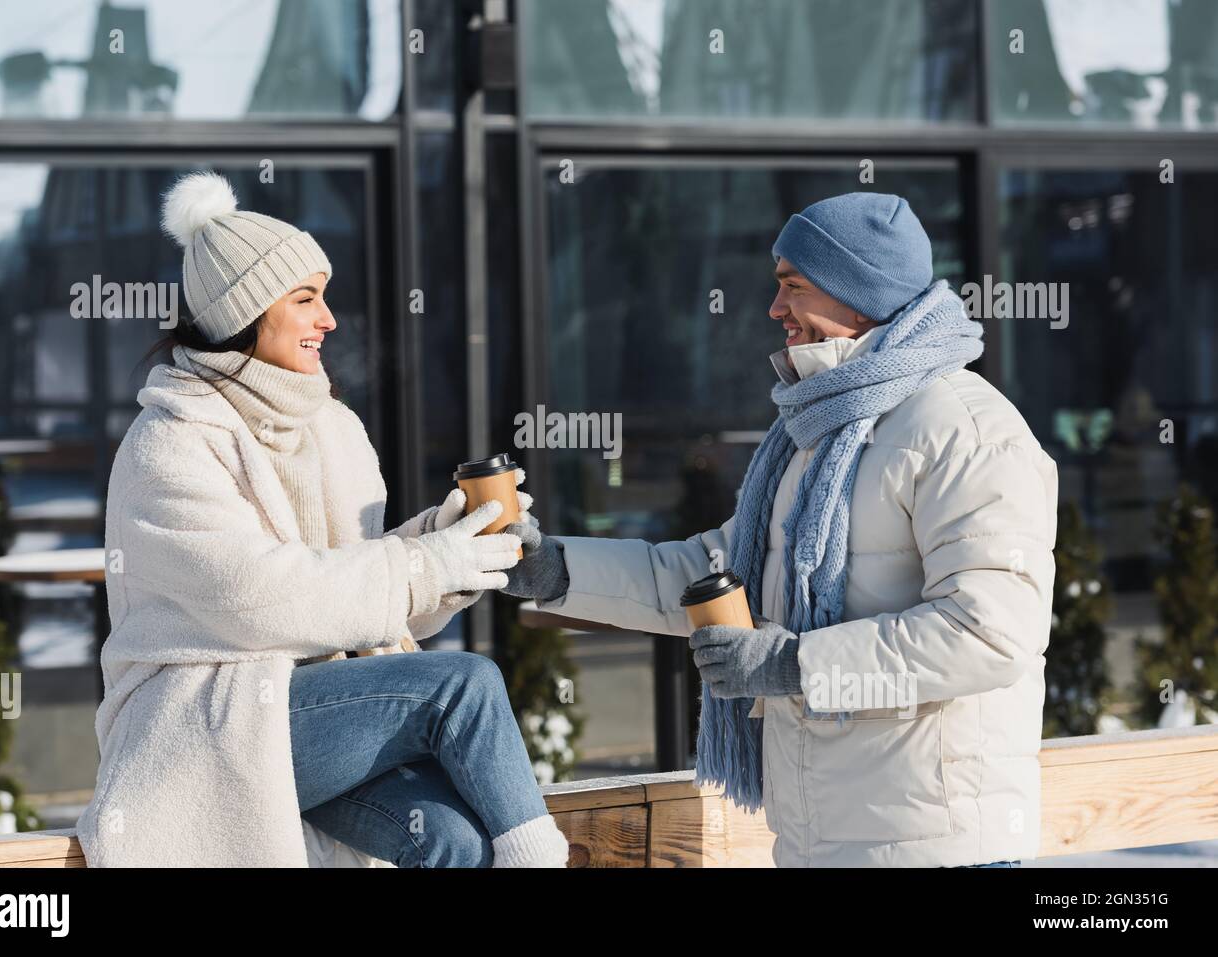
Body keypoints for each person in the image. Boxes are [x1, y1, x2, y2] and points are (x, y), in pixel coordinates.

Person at [502, 192, 1057, 868]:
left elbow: (989, 633)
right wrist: (558, 568)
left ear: (858, 293)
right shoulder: (817, 432)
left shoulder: (964, 430)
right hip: (819, 842)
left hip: (934, 844)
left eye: (792, 286)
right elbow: (718, 570)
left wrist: (795, 664)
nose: (774, 309)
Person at [75, 171, 569, 868]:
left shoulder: (331, 427)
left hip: (321, 720)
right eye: (305, 299)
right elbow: (259, 595)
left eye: (325, 297)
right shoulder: (171, 442)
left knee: (453, 841)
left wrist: (445, 541)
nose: (329, 319)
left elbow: (363, 592)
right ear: (244, 315)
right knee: (465, 684)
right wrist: (424, 567)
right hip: (212, 722)